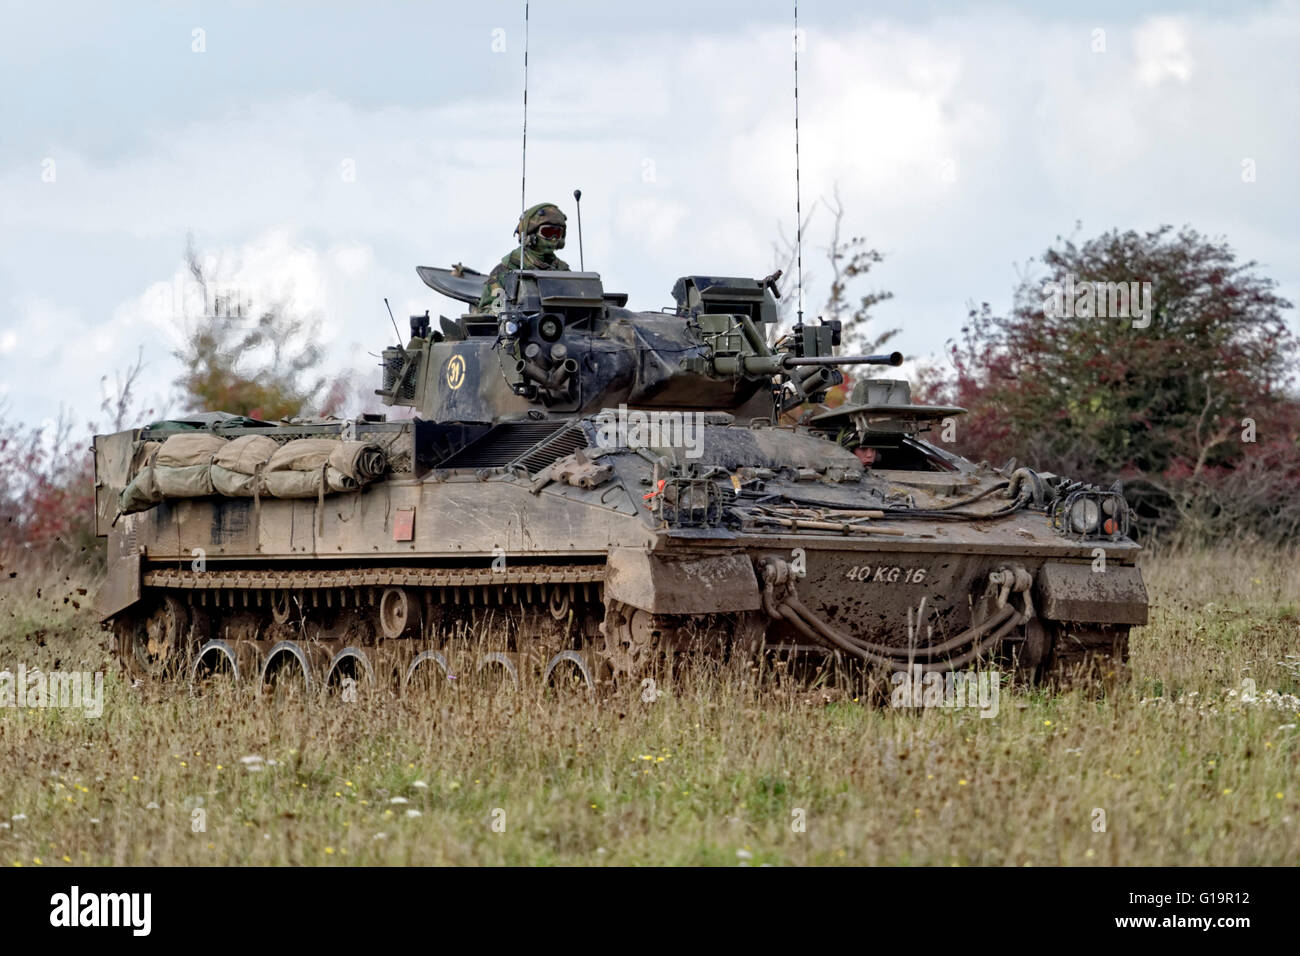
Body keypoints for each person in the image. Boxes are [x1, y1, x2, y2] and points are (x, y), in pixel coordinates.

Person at [475, 202, 571, 312]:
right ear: (531, 235)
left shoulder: (564, 272)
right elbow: (489, 309)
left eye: (558, 233)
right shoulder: (506, 271)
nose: (554, 239)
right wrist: (508, 313)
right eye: (548, 232)